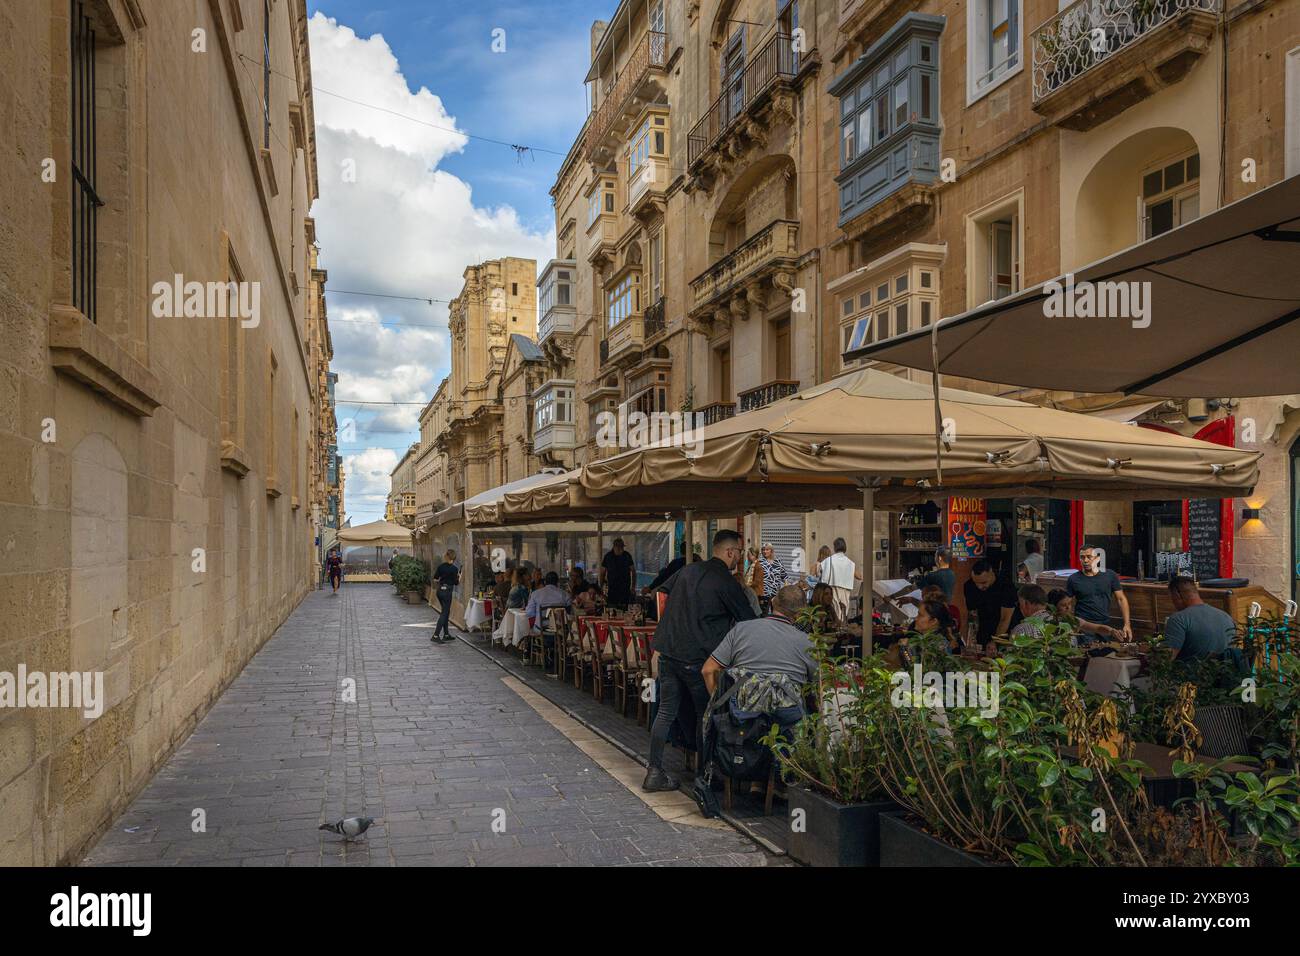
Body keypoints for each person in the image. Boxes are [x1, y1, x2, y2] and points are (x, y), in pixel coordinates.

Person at [644, 529, 756, 793]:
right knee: (704, 716)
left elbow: (661, 593)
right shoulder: (726, 582)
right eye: (739, 552)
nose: (739, 557)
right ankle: (705, 775)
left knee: (665, 712)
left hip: (669, 651)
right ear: (730, 552)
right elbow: (749, 622)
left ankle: (654, 771)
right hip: (698, 658)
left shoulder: (687, 571)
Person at [703, 585, 817, 727]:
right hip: (788, 732)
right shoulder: (807, 643)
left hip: (740, 728)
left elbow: (708, 670)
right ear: (800, 615)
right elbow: (819, 684)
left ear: (773, 603)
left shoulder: (740, 629)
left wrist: (723, 707)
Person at [1067, 546, 1132, 642]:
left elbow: (1121, 599)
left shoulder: (1110, 575)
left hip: (1104, 624)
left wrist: (1127, 624)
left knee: (1105, 652)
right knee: (1087, 653)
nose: (1085, 560)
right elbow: (1067, 603)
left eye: (1089, 557)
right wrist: (1071, 624)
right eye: (1082, 557)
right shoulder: (1073, 579)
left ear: (1097, 558)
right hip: (1084, 625)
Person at [1163, 576, 1235, 662]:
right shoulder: (1226, 617)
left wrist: (1150, 651)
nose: (1173, 603)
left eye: (1172, 598)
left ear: (1177, 595)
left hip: (1190, 673)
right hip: (1224, 673)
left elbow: (1166, 658)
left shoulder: (1178, 619)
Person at [964, 559, 1019, 654]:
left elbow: (1005, 618)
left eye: (983, 583)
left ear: (991, 573)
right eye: (976, 583)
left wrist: (995, 642)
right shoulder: (969, 586)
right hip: (983, 631)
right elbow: (972, 614)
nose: (979, 587)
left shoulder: (1006, 586)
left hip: (1005, 634)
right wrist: (970, 638)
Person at [818, 538, 861, 622]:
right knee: (843, 612)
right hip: (845, 589)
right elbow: (859, 576)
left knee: (833, 610)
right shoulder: (850, 563)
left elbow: (820, 572)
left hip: (832, 588)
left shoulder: (828, 560)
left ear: (835, 547)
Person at [432, 550, 459, 644]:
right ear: (454, 558)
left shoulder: (441, 567)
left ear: (446, 556)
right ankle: (435, 635)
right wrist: (459, 577)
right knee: (444, 613)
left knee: (446, 612)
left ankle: (446, 634)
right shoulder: (455, 569)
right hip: (447, 592)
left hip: (439, 591)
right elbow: (456, 582)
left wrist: (441, 582)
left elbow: (435, 579)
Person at [600, 538, 637, 609]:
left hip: (625, 589)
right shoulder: (608, 557)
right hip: (612, 589)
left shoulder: (627, 556)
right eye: (619, 547)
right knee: (612, 608)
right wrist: (601, 587)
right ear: (614, 547)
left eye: (622, 547)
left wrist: (633, 587)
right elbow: (602, 573)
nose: (621, 549)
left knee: (625, 609)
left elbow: (633, 571)